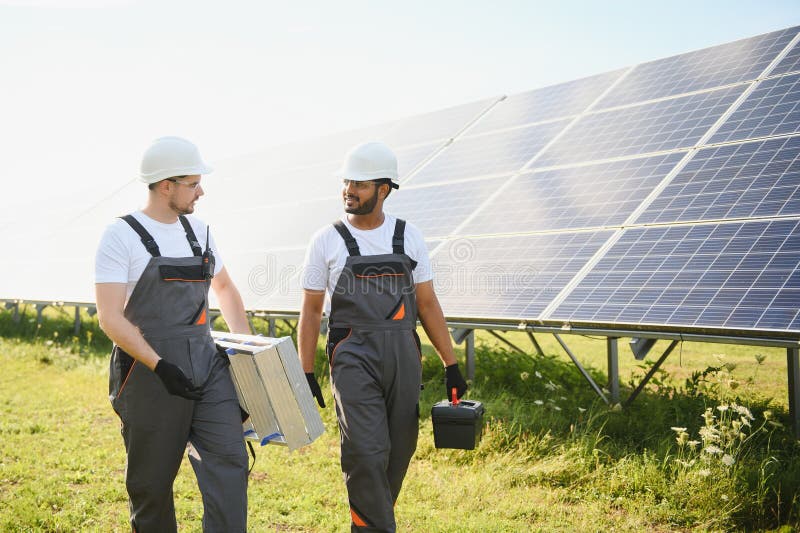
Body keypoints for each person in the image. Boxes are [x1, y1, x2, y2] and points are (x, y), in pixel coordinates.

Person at [298, 141, 468, 532]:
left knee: (399, 449)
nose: (348, 190)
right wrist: (306, 372)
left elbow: (427, 304)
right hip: (352, 353)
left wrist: (451, 364)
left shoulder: (410, 236)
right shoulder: (326, 239)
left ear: (383, 189)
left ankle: (371, 521)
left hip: (403, 353)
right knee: (365, 450)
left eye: (359, 183)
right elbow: (309, 309)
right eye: (346, 182)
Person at [94, 136, 251, 532]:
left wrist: (249, 358)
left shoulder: (199, 232)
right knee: (152, 484)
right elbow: (110, 318)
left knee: (230, 464)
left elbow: (226, 290)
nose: (201, 191)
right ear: (166, 185)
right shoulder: (121, 236)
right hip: (149, 372)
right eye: (193, 183)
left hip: (207, 365)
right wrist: (160, 366)